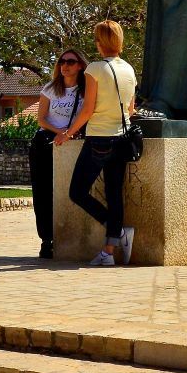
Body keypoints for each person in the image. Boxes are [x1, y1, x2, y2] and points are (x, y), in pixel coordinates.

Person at [58, 20, 138, 266]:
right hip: (122, 138)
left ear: (100, 42)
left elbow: (87, 110)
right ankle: (109, 249)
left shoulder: (94, 69)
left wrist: (68, 133)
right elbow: (131, 108)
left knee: (78, 192)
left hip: (99, 139)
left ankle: (116, 231)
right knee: (114, 194)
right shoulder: (129, 69)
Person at [28, 48, 87, 258]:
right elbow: (41, 119)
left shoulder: (87, 90)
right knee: (43, 192)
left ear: (80, 65)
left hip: (74, 144)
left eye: (70, 62)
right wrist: (61, 132)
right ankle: (47, 239)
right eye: (62, 62)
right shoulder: (51, 89)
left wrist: (71, 134)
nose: (65, 66)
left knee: (70, 191)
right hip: (46, 142)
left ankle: (71, 236)